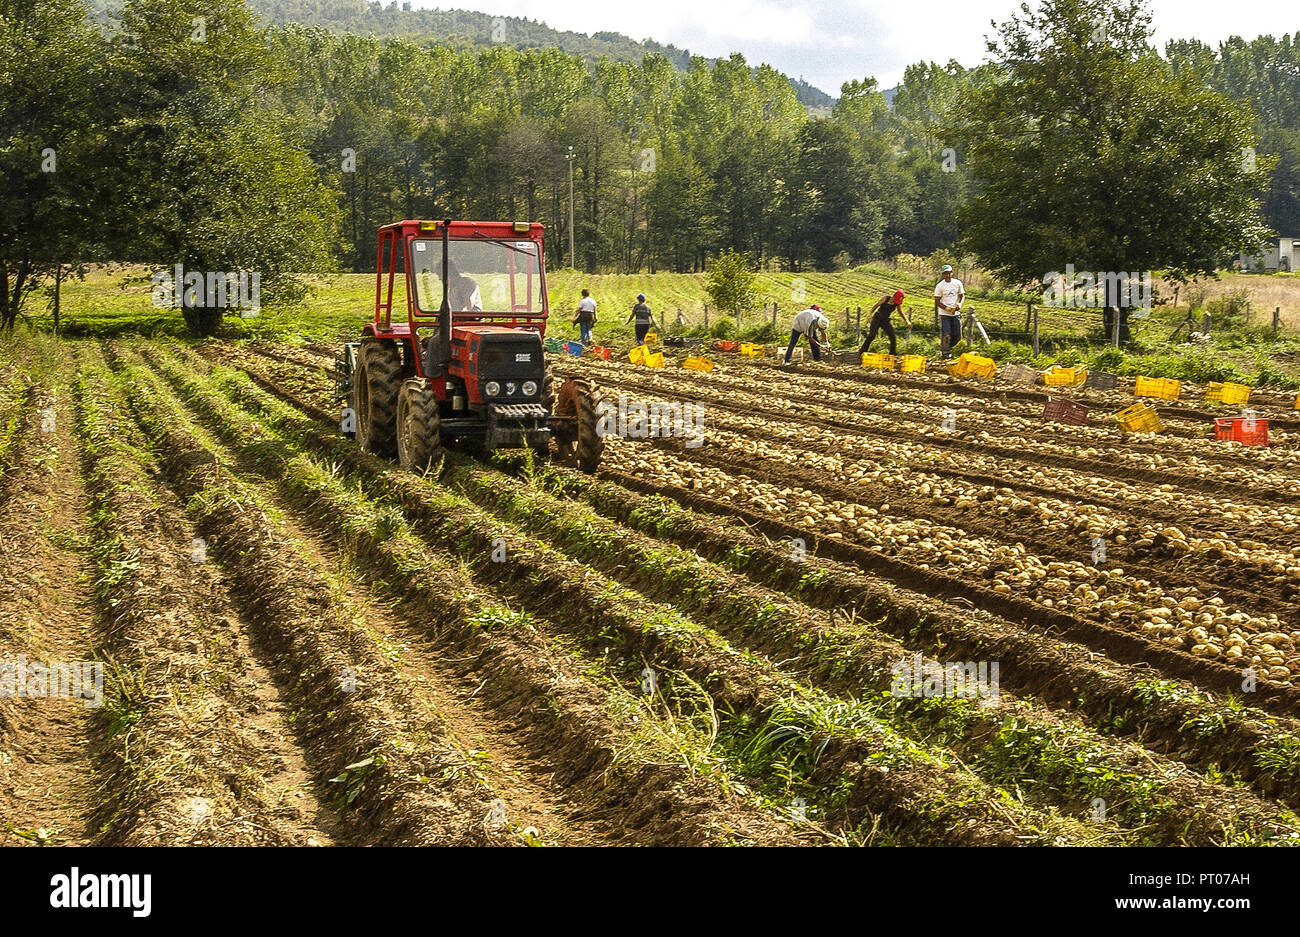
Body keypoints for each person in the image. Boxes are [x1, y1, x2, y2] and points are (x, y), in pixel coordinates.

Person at [858, 289, 911, 356]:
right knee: (872, 335)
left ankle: (892, 354)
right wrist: (870, 314)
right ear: (894, 296)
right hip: (877, 318)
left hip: (886, 320)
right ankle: (862, 351)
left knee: (893, 337)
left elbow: (900, 312)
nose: (896, 302)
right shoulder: (885, 298)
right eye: (896, 299)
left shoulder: (897, 303)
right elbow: (876, 305)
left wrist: (906, 320)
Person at [933, 264, 964, 359]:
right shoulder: (940, 286)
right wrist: (947, 309)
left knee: (958, 336)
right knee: (946, 334)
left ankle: (947, 348)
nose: (947, 275)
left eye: (949, 273)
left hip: (956, 314)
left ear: (952, 273)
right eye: (945, 274)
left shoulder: (957, 283)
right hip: (945, 314)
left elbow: (962, 295)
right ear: (943, 275)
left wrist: (959, 304)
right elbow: (937, 301)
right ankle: (946, 354)